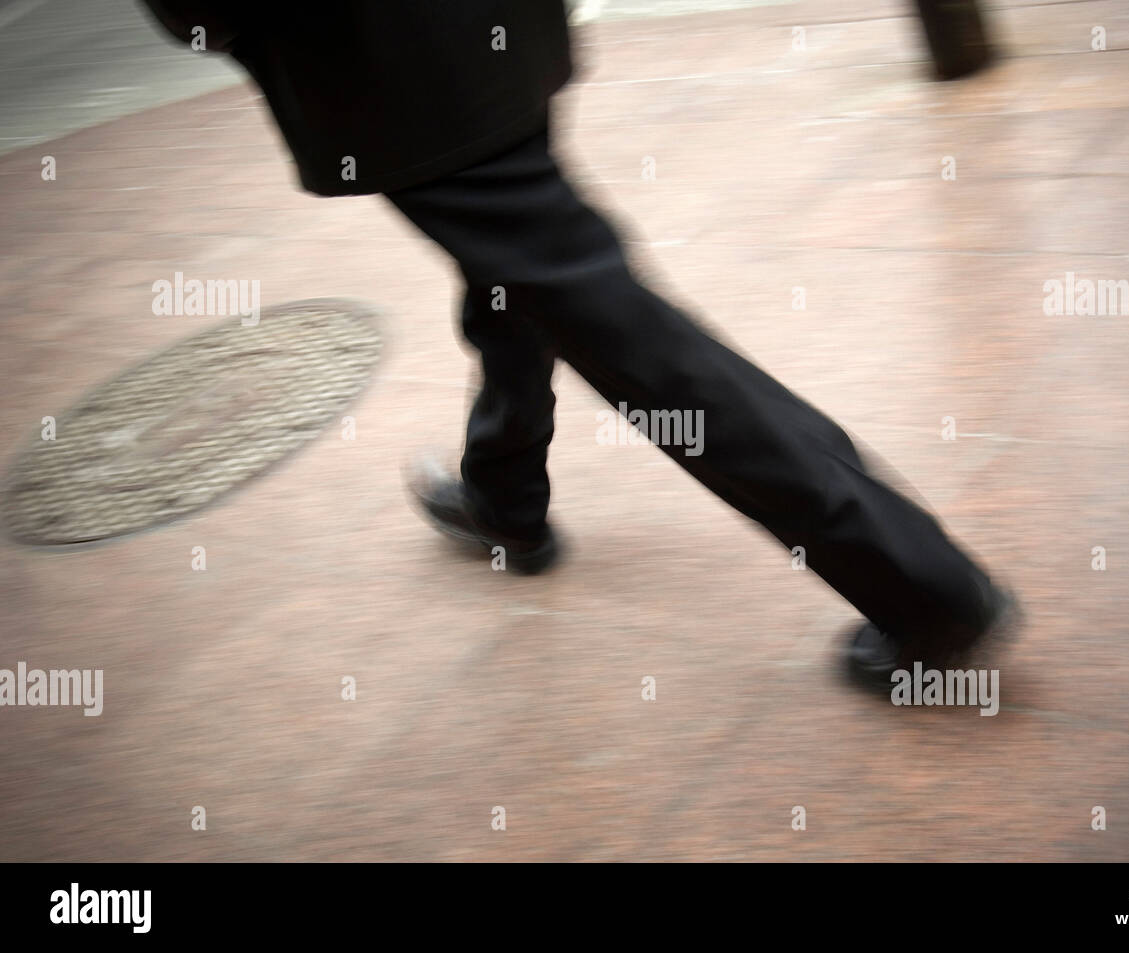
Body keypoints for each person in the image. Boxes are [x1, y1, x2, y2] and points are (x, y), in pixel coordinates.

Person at [140, 0, 1019, 688]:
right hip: (490, 28)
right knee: (525, 261)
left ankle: (923, 587)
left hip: (382, 57)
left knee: (593, 304)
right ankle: (505, 491)